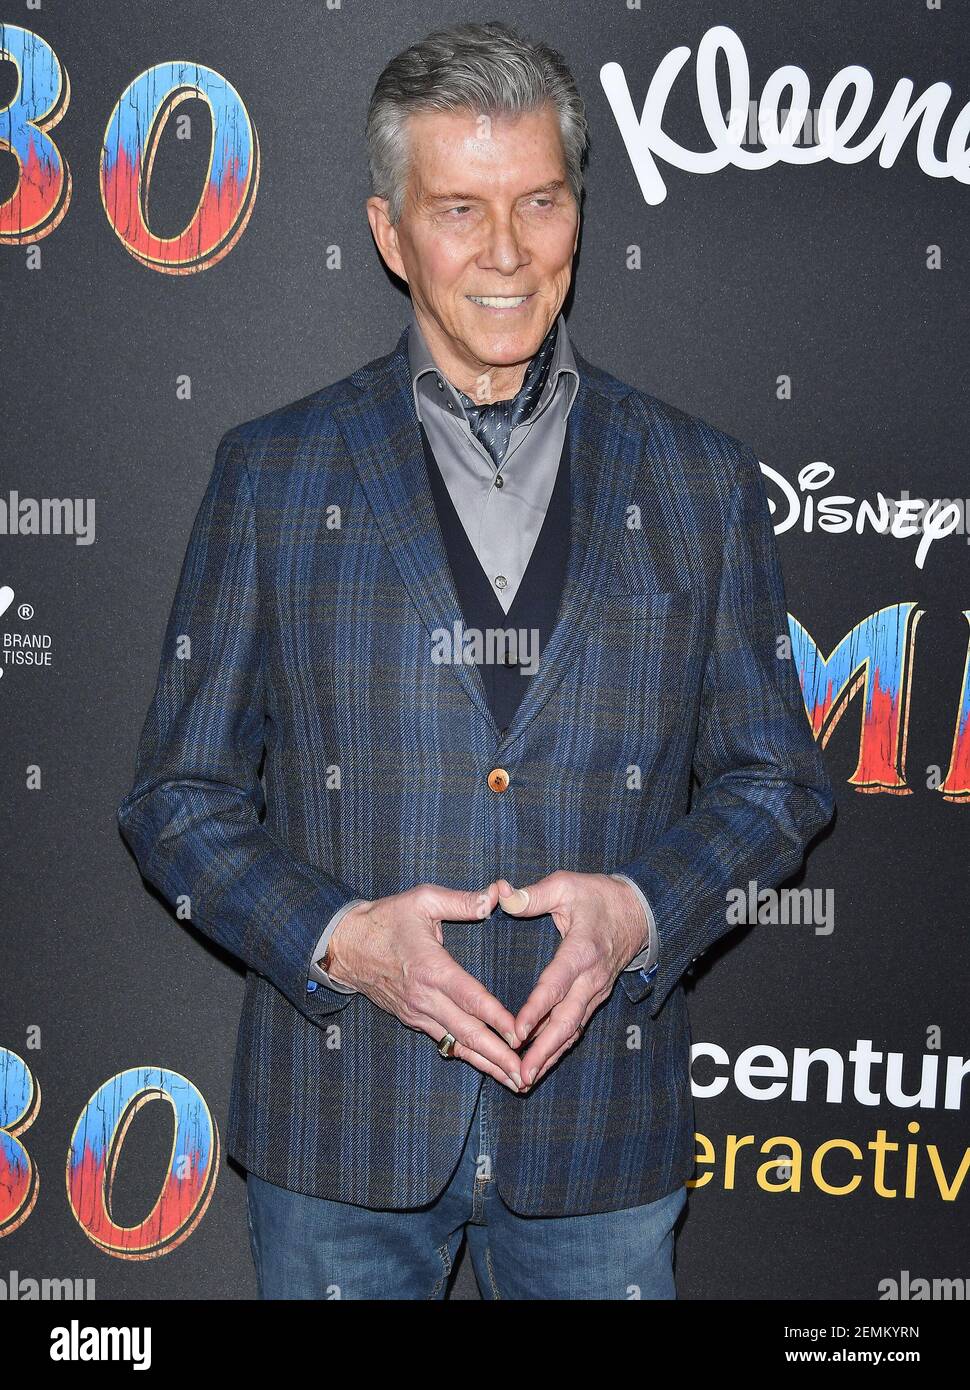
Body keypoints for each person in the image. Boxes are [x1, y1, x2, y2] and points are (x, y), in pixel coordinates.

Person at [117, 20, 834, 1300]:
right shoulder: (273, 474)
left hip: (601, 1137)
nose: (505, 254)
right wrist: (339, 938)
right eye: (458, 209)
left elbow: (775, 781)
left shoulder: (699, 477)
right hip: (339, 1133)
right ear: (390, 235)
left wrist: (642, 914)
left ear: (577, 212)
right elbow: (176, 800)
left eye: (538, 203)